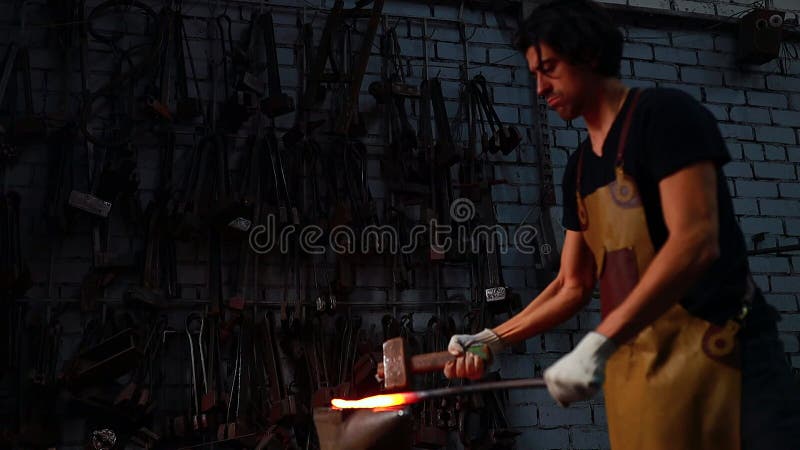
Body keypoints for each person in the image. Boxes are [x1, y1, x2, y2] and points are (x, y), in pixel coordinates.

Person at [442, 1, 800, 449]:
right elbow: (572, 284)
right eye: (535, 73)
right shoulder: (578, 170)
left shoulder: (665, 116)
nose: (539, 88)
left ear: (589, 55)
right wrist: (493, 337)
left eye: (548, 68)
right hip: (643, 372)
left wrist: (598, 342)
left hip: (726, 363)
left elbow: (695, 242)